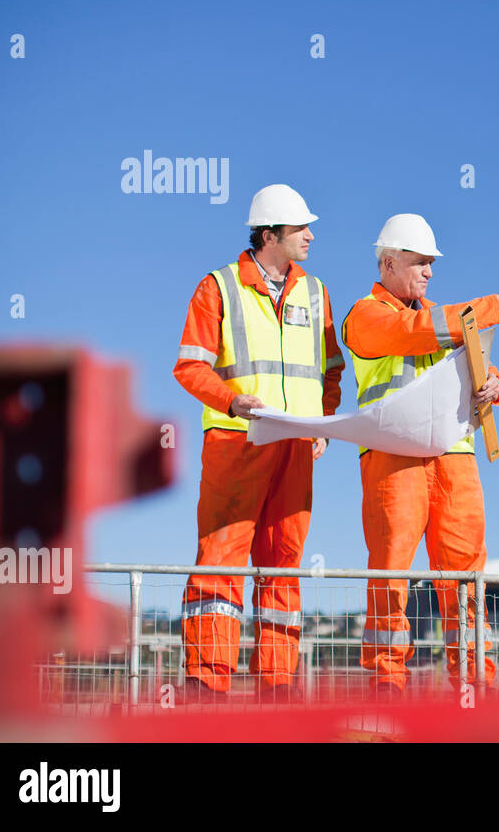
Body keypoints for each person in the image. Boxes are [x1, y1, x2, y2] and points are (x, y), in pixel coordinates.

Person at [342, 213, 499, 698]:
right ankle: (387, 691)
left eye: (432, 263)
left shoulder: (440, 318)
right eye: (420, 262)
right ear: (388, 262)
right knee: (391, 572)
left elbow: (485, 367)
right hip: (394, 458)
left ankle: (473, 691)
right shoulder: (365, 315)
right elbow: (413, 332)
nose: (429, 271)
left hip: (454, 461)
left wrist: (496, 384)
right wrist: (497, 303)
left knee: (466, 579)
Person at [172, 183, 345, 703]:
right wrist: (231, 401)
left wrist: (322, 424)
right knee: (222, 558)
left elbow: (332, 370)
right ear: (270, 236)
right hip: (235, 439)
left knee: (284, 561)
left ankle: (278, 685)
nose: (311, 236)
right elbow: (189, 367)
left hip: (294, 444)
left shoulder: (315, 292)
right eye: (301, 229)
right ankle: (207, 685)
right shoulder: (218, 287)